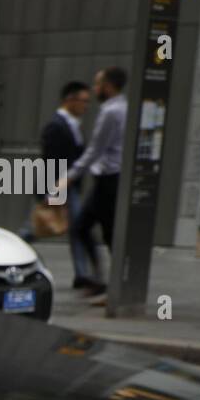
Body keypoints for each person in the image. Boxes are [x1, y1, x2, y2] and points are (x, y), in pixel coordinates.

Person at [68, 67, 128, 296]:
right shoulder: (123, 108)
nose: (94, 89)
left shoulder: (110, 112)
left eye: (97, 84)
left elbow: (95, 150)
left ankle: (110, 284)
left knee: (95, 230)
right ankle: (105, 281)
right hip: (110, 179)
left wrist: (70, 176)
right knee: (95, 230)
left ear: (108, 86)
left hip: (108, 180)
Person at [24, 81, 88, 251]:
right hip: (59, 184)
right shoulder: (56, 125)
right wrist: (51, 190)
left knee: (76, 230)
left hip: (69, 184)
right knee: (39, 226)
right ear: (70, 100)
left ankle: (83, 273)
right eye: (83, 101)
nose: (86, 106)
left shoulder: (73, 125)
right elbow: (50, 160)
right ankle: (13, 247)